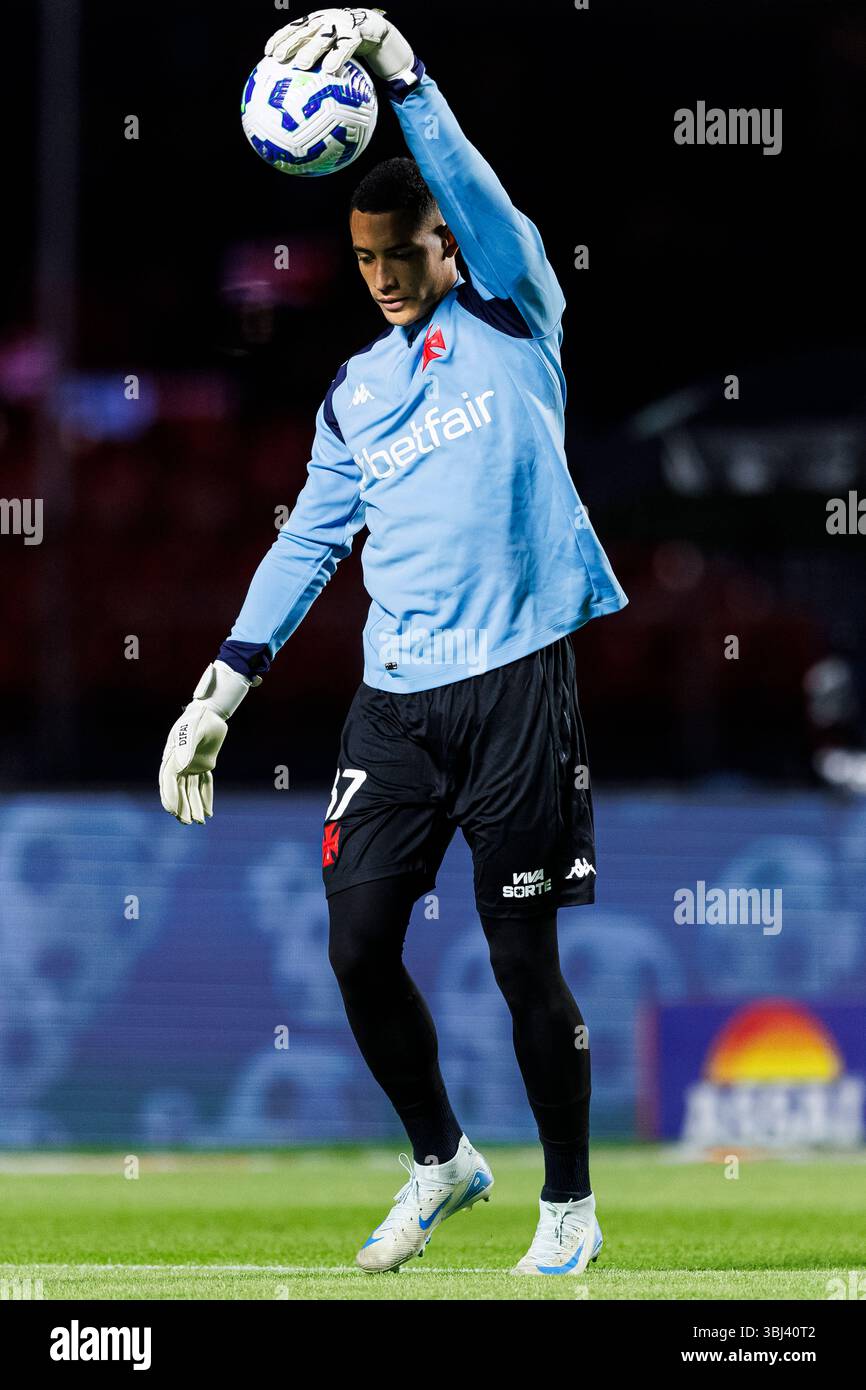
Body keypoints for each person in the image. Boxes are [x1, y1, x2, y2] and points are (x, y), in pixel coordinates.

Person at [160, 7, 627, 1276]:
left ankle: (569, 1205)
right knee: (357, 943)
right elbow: (306, 545)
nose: (380, 272)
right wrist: (222, 687)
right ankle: (442, 1160)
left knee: (521, 958)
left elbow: (473, 191)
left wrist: (406, 77)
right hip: (397, 705)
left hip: (519, 681)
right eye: (362, 254)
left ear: (443, 245)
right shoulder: (353, 396)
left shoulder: (515, 316)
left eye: (403, 249)